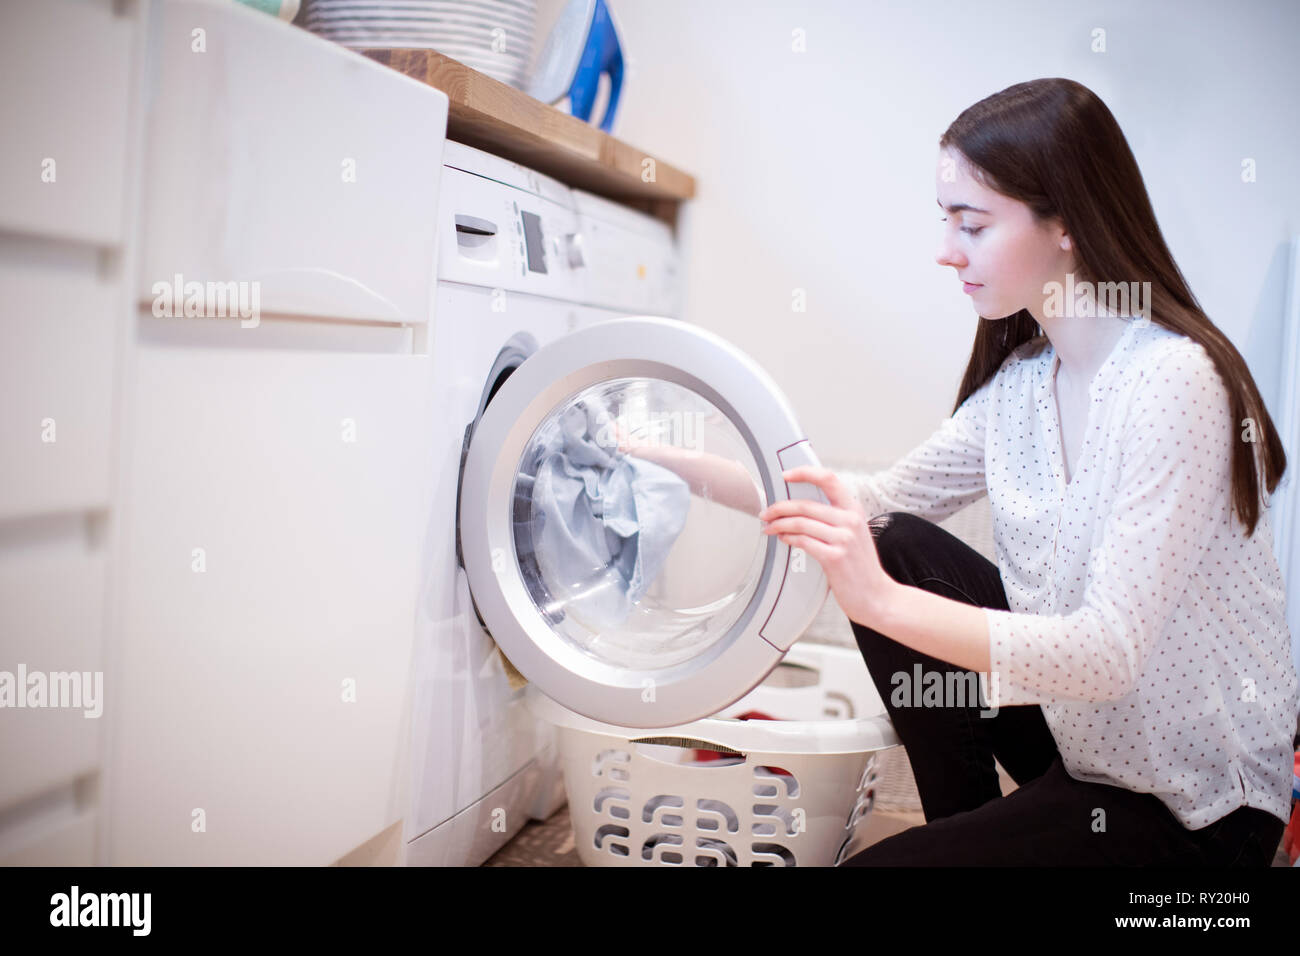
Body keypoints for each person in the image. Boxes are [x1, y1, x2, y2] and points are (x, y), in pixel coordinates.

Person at [759, 77, 1299, 866]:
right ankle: (965, 827)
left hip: (1197, 814)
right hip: (1088, 755)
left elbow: (1108, 653)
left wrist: (875, 599)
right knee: (887, 537)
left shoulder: (1172, 381)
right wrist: (670, 458)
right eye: (946, 221)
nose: (946, 249)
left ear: (1067, 225)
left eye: (970, 224)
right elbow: (860, 503)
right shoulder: (1022, 385)